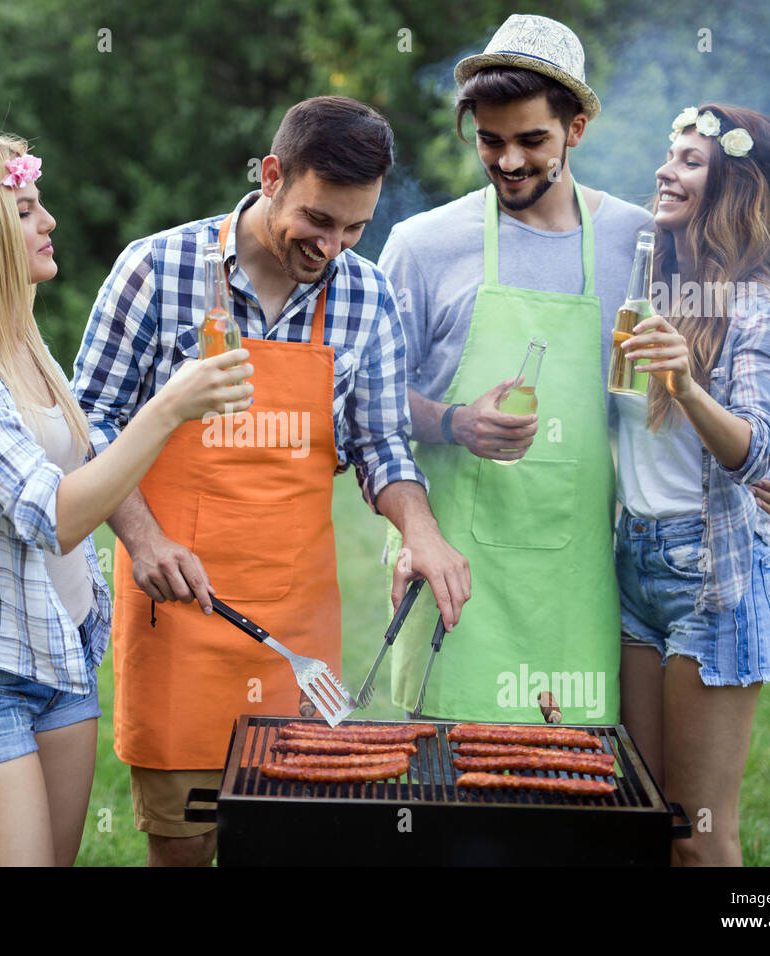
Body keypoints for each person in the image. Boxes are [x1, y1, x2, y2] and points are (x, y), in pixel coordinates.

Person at [72, 97, 471, 866]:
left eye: (355, 228)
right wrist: (143, 538)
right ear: (271, 175)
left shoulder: (365, 296)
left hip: (296, 634)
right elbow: (90, 426)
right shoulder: (157, 271)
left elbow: (382, 443)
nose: (333, 246)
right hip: (176, 617)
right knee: (183, 851)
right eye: (319, 221)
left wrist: (421, 535)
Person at [378, 14, 770, 725]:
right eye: (490, 140)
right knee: (449, 803)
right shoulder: (422, 246)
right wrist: (451, 425)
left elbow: (718, 349)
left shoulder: (641, 242)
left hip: (584, 582)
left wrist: (747, 464)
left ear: (574, 130)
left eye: (531, 140)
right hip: (455, 573)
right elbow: (362, 405)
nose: (509, 161)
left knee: (576, 808)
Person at [0, 132, 253, 866]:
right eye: (26, 210)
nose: (48, 221)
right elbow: (52, 517)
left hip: (64, 655)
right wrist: (168, 409)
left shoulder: (22, 344)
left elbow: (88, 461)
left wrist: (152, 534)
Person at [614, 104, 770, 866]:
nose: (667, 169)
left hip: (711, 577)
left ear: (731, 188)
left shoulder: (754, 305)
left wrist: (688, 385)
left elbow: (756, 449)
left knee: (698, 836)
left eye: (691, 160)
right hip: (633, 569)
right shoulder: (644, 289)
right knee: (644, 820)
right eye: (669, 153)